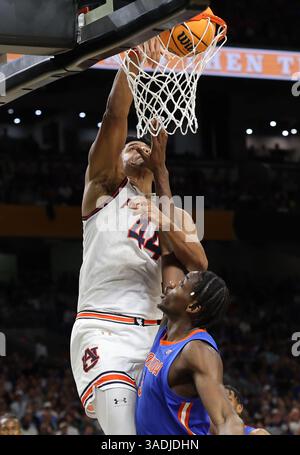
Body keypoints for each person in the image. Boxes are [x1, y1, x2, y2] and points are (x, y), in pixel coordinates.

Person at [70, 38, 208, 435]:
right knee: (123, 433)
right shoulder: (102, 191)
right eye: (127, 146)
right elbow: (115, 116)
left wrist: (162, 216)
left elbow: (199, 266)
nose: (133, 144)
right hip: (104, 327)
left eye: (140, 142)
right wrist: (134, 61)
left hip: (157, 337)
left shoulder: (176, 212)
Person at [135, 260, 244, 434]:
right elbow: (172, 258)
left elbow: (227, 419)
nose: (171, 286)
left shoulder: (197, 350)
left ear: (192, 306)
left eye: (181, 285)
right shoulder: (167, 329)